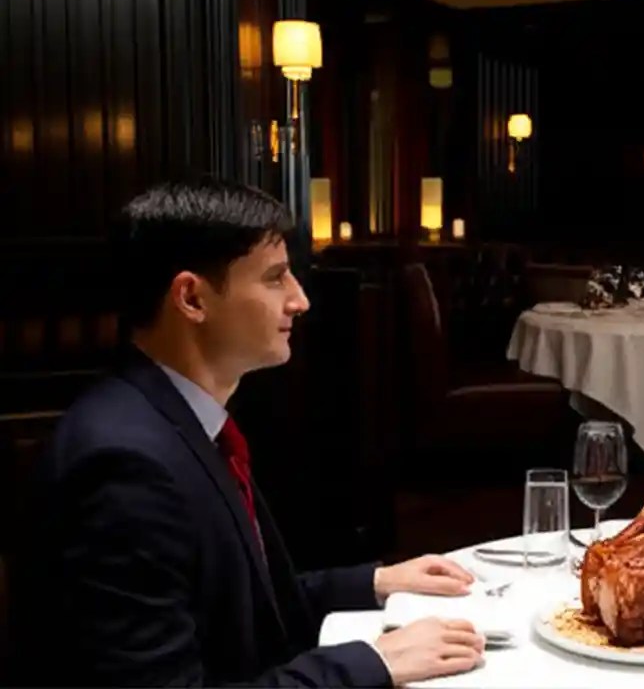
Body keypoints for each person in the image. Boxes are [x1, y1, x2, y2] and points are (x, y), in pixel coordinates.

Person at [9, 178, 486, 686]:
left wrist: (373, 582)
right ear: (191, 298)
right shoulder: (126, 466)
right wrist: (373, 662)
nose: (299, 300)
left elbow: (242, 602)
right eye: (276, 278)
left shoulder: (179, 418)